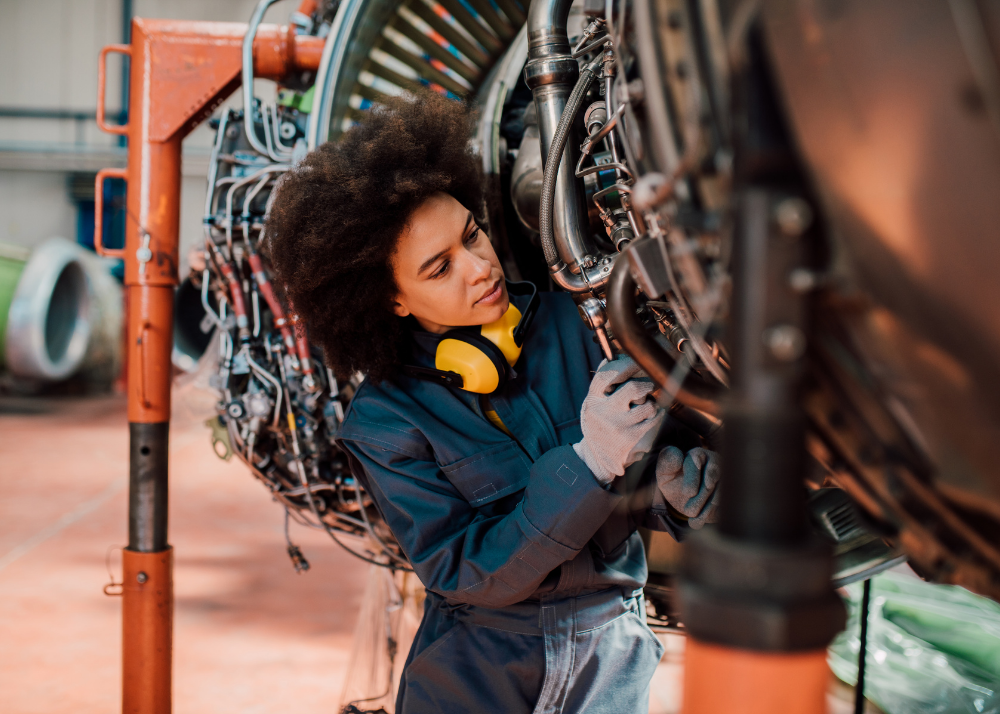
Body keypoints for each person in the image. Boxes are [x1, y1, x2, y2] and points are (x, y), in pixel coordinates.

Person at [265, 92, 720, 714]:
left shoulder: (579, 326)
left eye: (472, 236)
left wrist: (678, 499)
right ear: (392, 300)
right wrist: (588, 464)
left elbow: (647, 481)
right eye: (439, 269)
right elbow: (467, 573)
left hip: (611, 657)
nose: (479, 268)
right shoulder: (385, 422)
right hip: (479, 670)